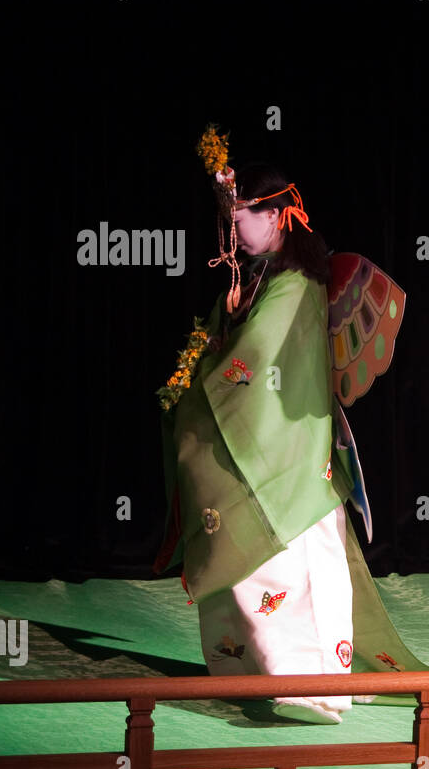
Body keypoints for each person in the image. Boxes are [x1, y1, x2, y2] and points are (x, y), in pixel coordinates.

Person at [154, 160, 362, 724]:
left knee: (288, 561)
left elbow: (255, 359)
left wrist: (205, 375)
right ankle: (252, 670)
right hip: (274, 442)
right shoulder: (263, 276)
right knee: (259, 558)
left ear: (276, 216)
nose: (232, 230)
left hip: (287, 448)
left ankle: (313, 685)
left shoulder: (297, 283)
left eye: (240, 216)